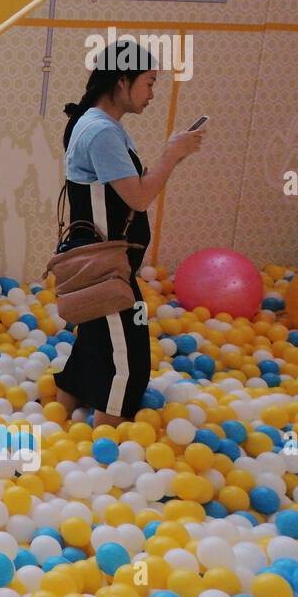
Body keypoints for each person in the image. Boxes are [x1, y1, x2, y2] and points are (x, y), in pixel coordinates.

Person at [54, 41, 204, 426]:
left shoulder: (95, 123)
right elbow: (138, 197)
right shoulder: (101, 131)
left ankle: (61, 416)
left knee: (94, 344)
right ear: (123, 81)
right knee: (130, 362)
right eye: (150, 83)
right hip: (107, 270)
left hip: (101, 265)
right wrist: (173, 154)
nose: (153, 94)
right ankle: (106, 449)